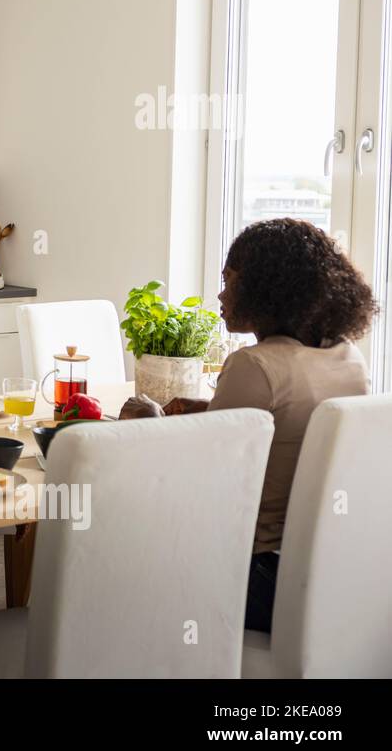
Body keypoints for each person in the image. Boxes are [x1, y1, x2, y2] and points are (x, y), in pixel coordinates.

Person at [120, 218, 374, 633]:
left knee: (113, 551)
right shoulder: (347, 358)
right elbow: (284, 426)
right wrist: (209, 412)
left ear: (265, 287)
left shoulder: (254, 365)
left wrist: (151, 422)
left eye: (229, 279)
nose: (220, 293)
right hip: (325, 576)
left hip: (254, 577)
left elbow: (202, 483)